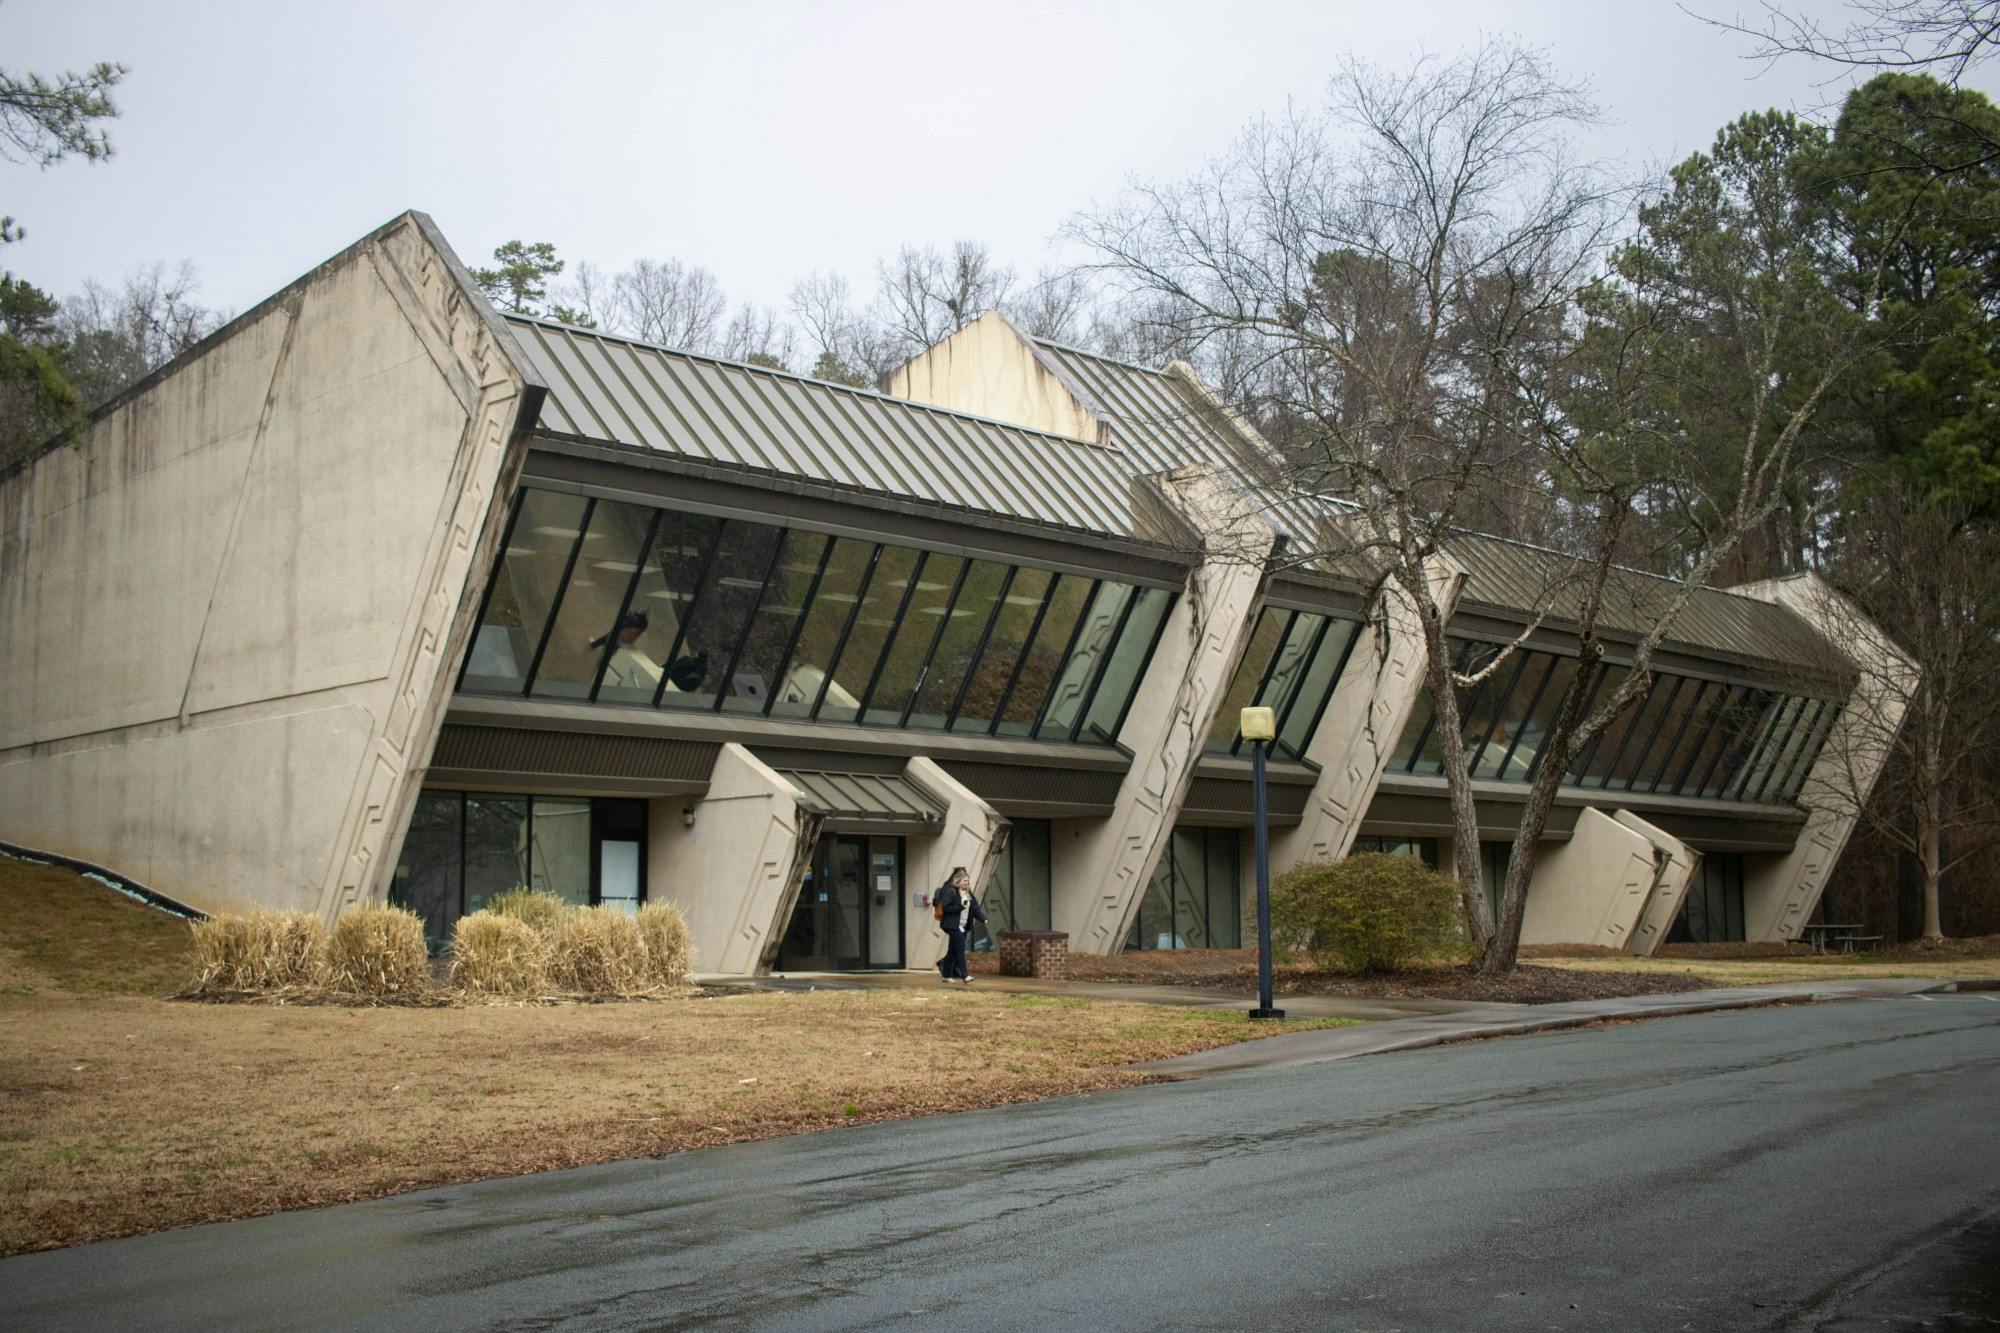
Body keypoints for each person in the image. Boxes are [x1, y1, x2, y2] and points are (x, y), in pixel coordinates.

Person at [933, 866, 983, 984]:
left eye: (967, 880)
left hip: (963, 925)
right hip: (952, 925)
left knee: (952, 950)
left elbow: (974, 906)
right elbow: (945, 907)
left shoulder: (967, 893)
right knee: (960, 948)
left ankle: (946, 974)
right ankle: (965, 975)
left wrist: (982, 918)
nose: (967, 882)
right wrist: (960, 906)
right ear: (958, 881)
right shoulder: (951, 891)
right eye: (965, 880)